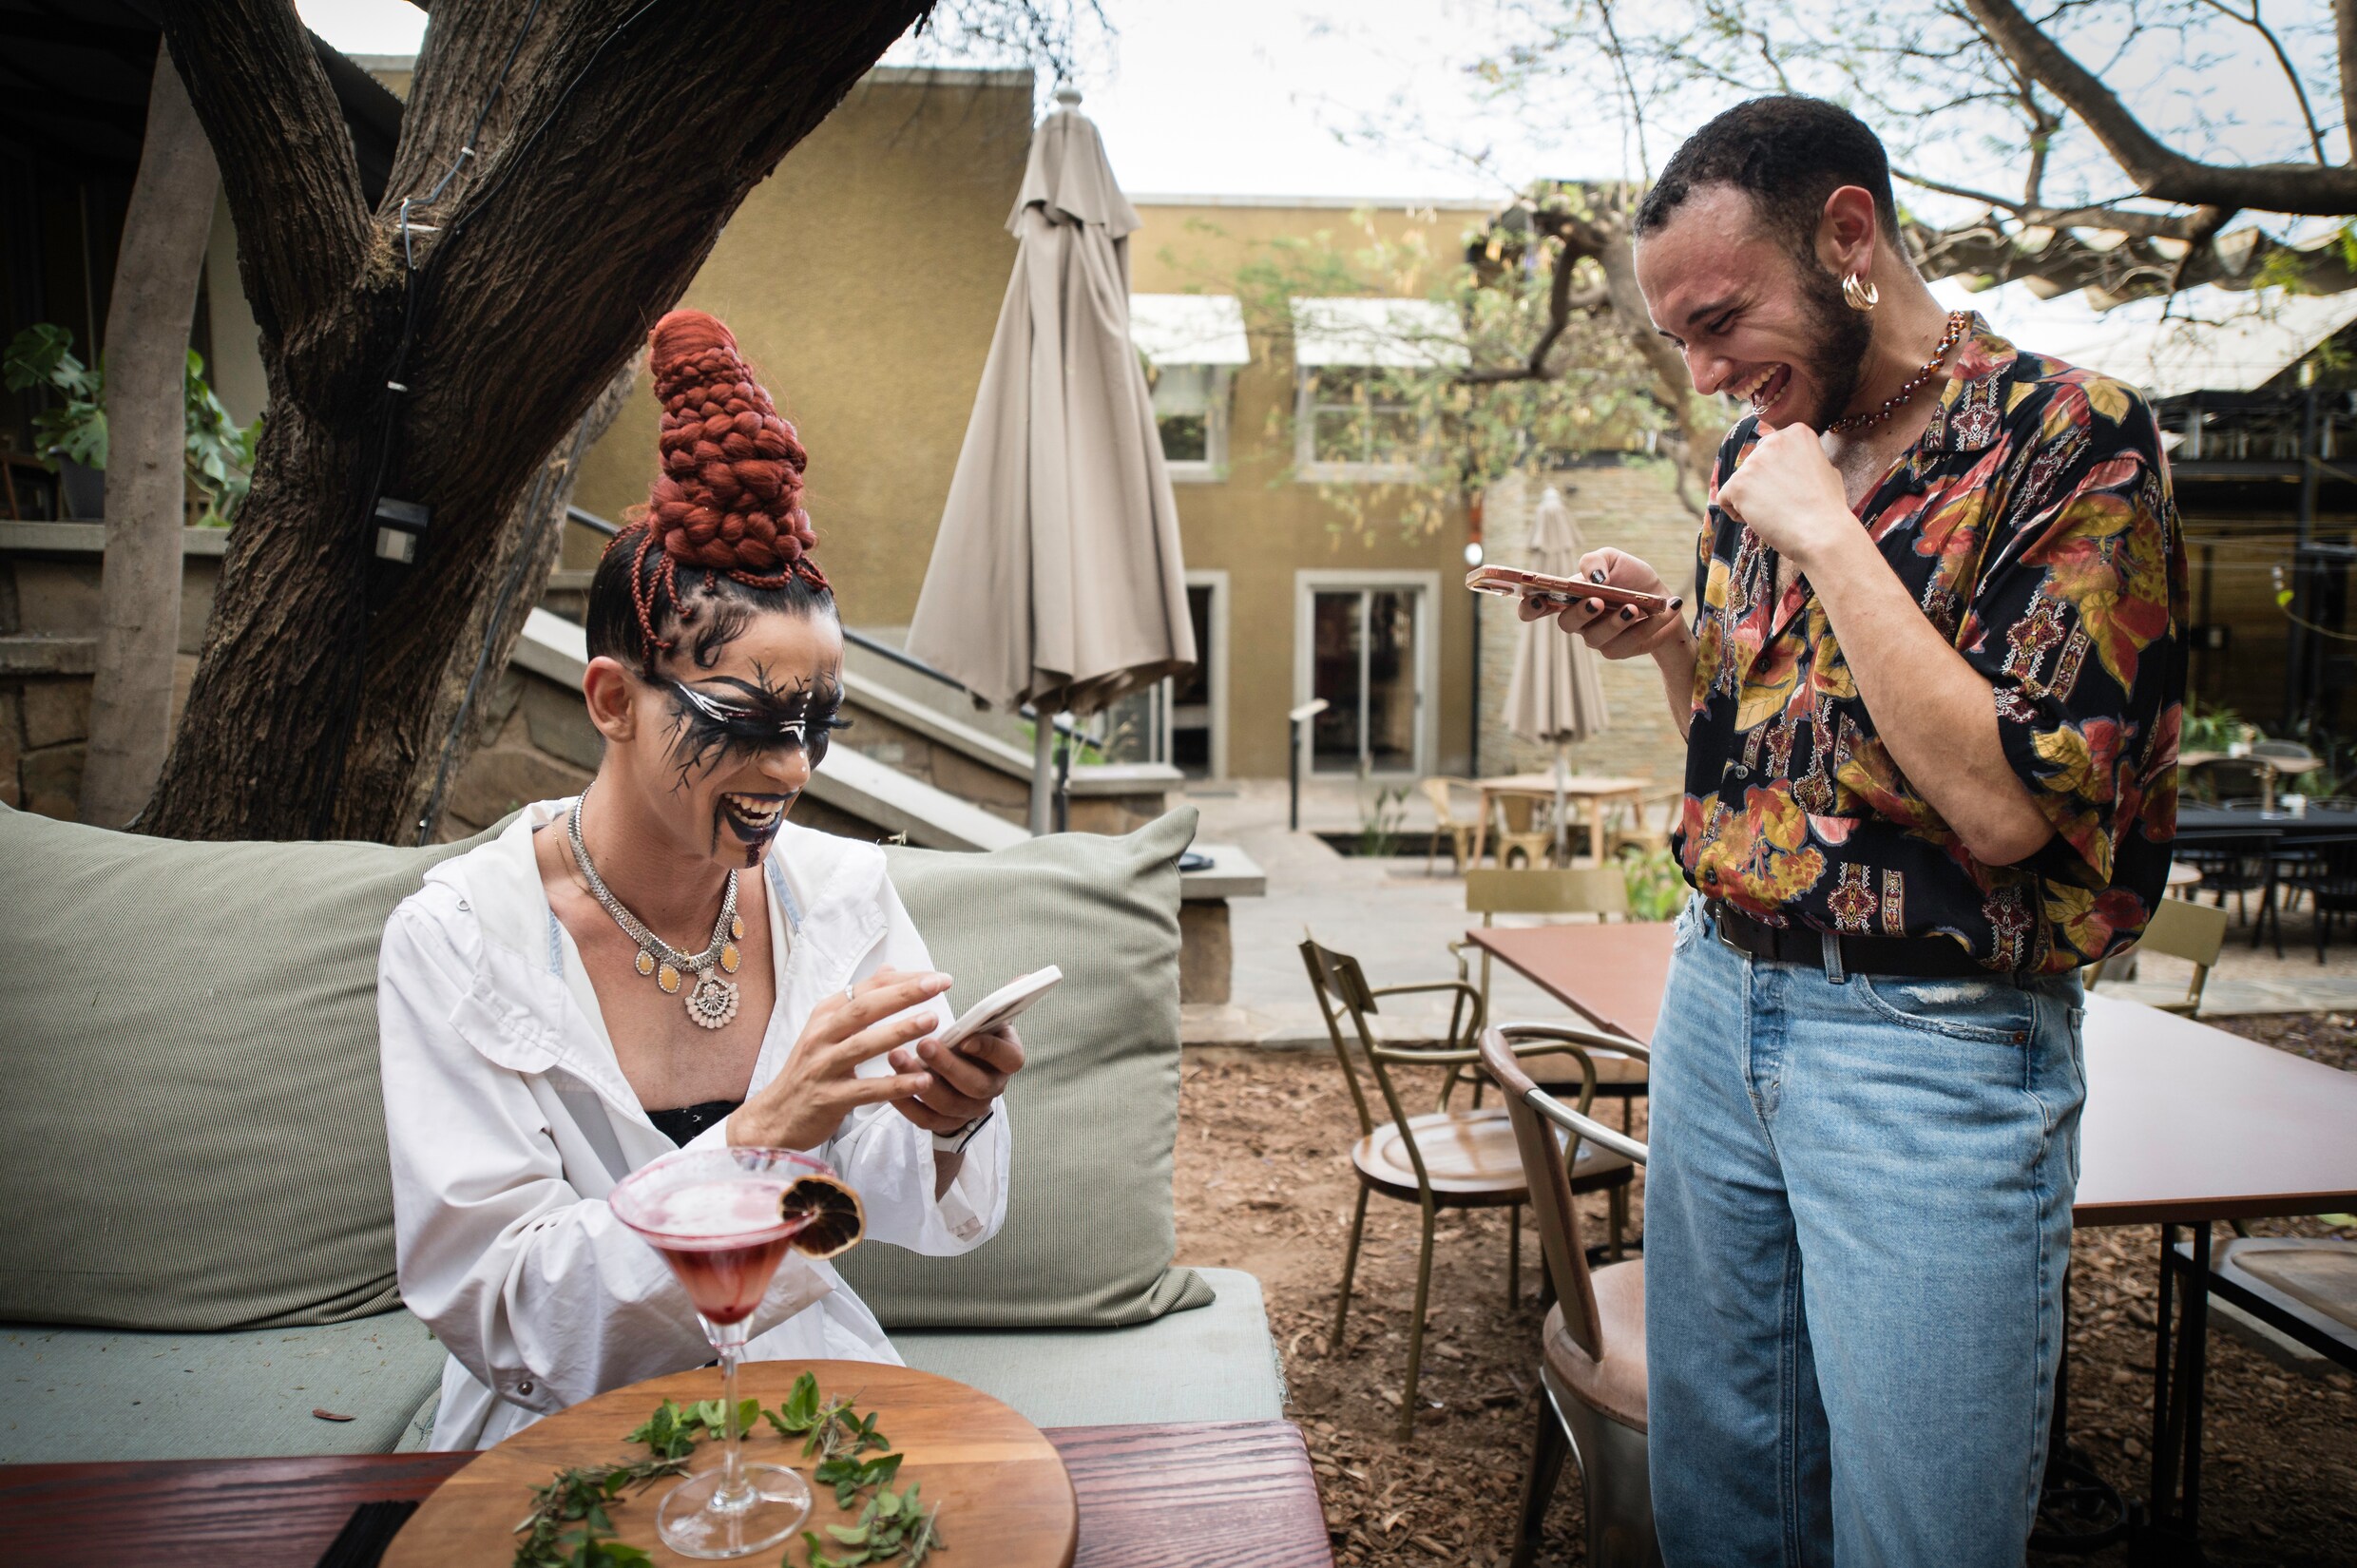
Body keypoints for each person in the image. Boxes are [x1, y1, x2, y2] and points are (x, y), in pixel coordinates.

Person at [1525, 98, 2184, 1563]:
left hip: (1932, 1044)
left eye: (1721, 319)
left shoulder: (2069, 443)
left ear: (1847, 234)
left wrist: (1828, 533)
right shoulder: (1764, 456)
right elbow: (1761, 756)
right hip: (1716, 1001)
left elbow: (2006, 807)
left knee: (1920, 1532)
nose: (1704, 374)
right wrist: (1668, 645)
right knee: (1728, 1505)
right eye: (1678, 343)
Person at [377, 310, 1022, 1451]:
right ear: (613, 702)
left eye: (818, 723)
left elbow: (902, 1208)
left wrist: (946, 1118)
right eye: (746, 719)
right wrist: (758, 1137)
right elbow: (512, 1317)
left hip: (805, 1393)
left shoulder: (843, 895)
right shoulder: (458, 942)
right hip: (562, 1435)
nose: (789, 768)